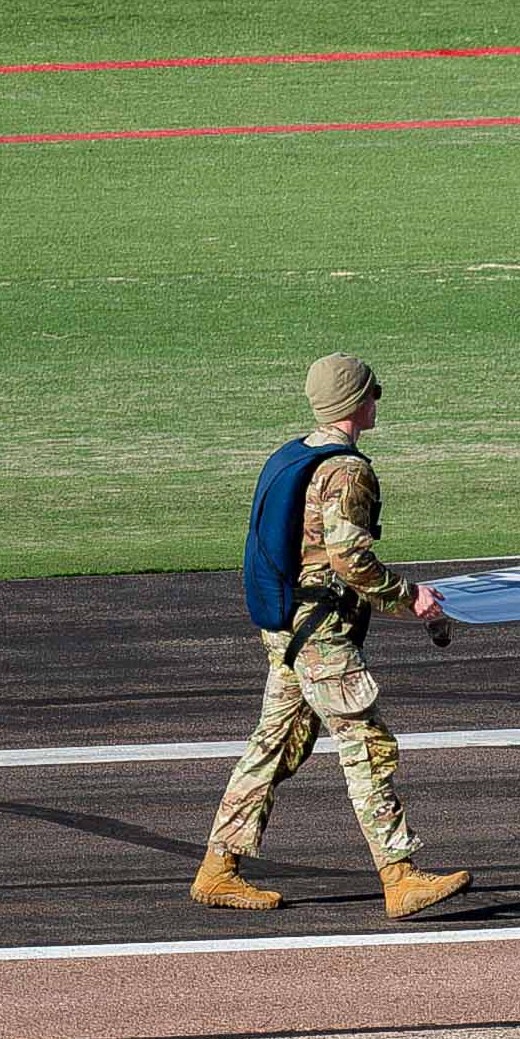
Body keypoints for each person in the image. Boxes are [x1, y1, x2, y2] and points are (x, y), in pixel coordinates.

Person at [191, 353, 471, 916]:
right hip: (321, 633)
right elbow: (349, 559)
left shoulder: (294, 455)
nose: (377, 400)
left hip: (288, 625)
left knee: (274, 746)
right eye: (373, 392)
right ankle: (400, 875)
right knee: (364, 742)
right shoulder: (347, 471)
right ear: (355, 403)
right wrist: (410, 598)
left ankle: (218, 867)